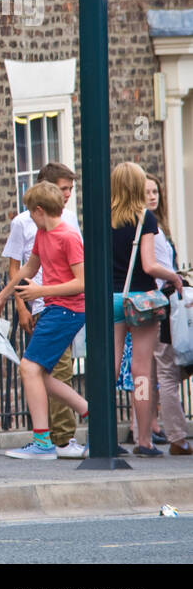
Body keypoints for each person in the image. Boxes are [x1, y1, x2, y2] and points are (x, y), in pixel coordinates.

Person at [0, 182, 90, 459]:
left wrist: (40, 292)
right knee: (40, 374)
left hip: (67, 310)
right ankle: (90, 410)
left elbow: (81, 283)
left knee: (28, 367)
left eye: (30, 212)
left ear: (39, 210)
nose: (29, 217)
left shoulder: (68, 237)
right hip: (55, 308)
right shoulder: (43, 235)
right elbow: (28, 269)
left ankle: (43, 442)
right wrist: (1, 299)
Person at [110, 161, 183, 457]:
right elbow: (149, 264)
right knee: (141, 372)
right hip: (141, 301)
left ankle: (102, 437)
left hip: (111, 298)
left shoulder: (104, 217)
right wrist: (174, 277)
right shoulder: (146, 218)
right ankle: (143, 440)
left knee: (110, 368)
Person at [144, 174, 191, 455]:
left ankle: (146, 431)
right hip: (161, 305)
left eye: (155, 191)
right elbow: (152, 268)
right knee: (168, 372)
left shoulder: (159, 228)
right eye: (147, 192)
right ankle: (176, 436)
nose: (153, 196)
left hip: (166, 303)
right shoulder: (146, 228)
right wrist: (175, 277)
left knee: (156, 372)